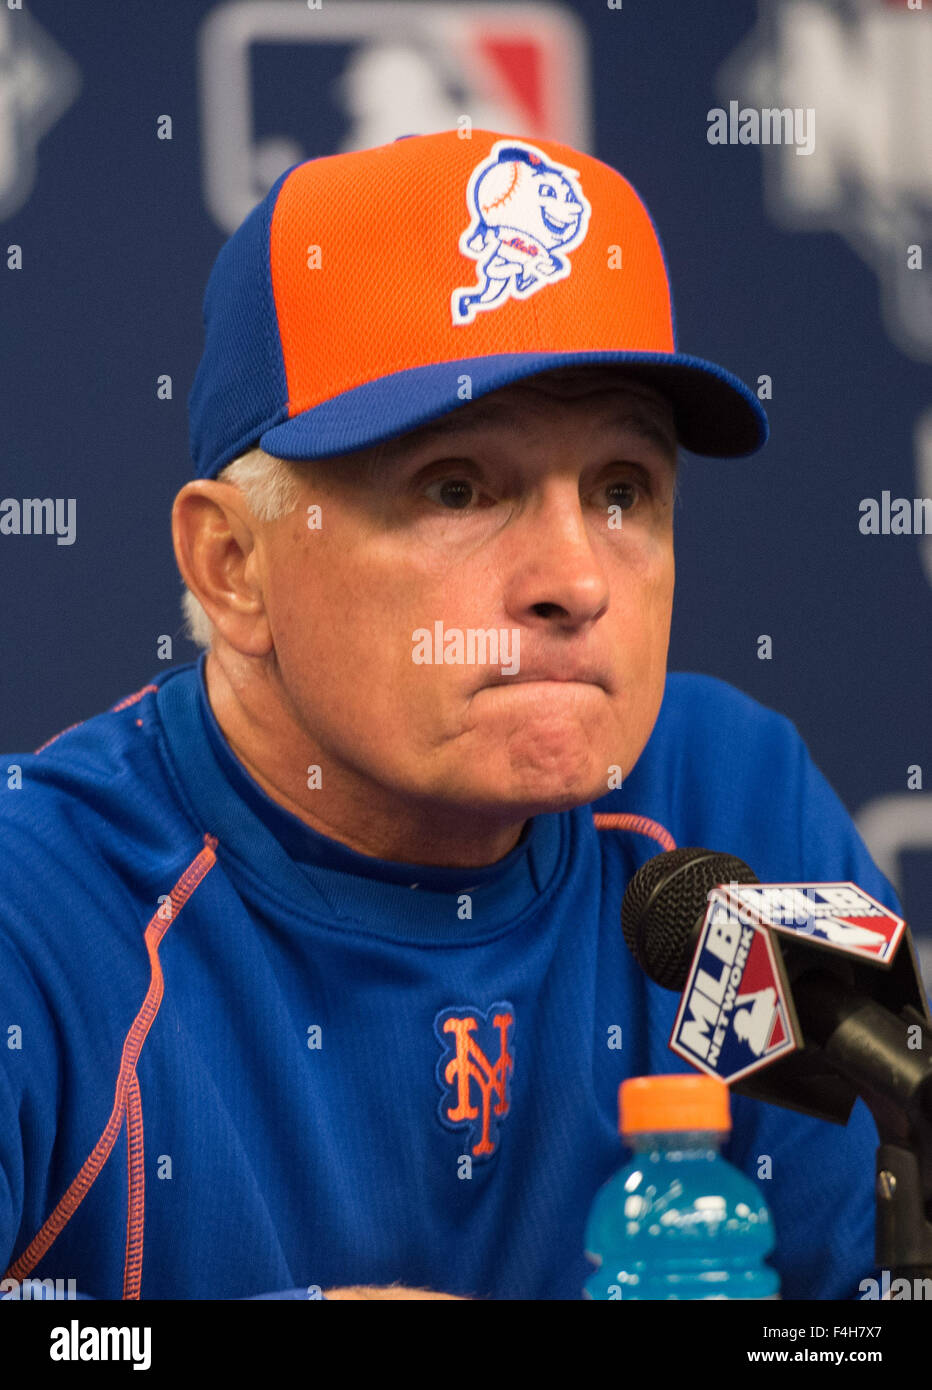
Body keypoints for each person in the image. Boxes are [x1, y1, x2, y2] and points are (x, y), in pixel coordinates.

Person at [0, 130, 890, 1301]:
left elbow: (865, 1307)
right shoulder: (37, 901)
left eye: (621, 489)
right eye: (458, 487)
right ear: (232, 566)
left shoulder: (733, 800)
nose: (575, 580)